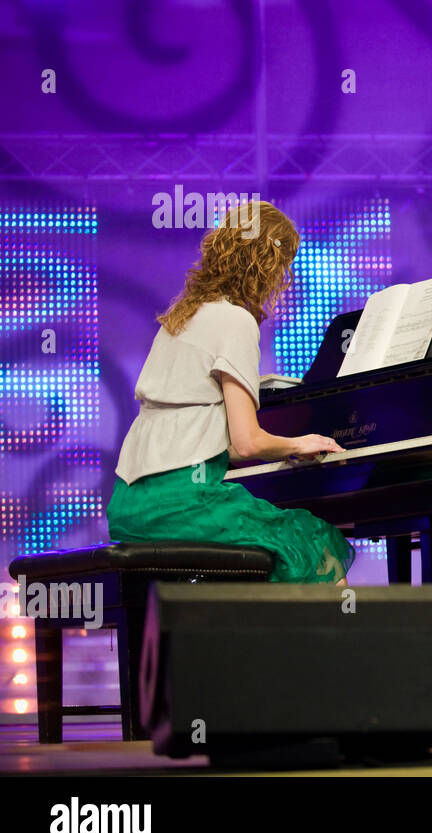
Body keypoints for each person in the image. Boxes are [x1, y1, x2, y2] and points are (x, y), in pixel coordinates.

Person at [107, 200, 353, 584]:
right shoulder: (236, 321)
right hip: (183, 507)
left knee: (278, 547)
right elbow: (249, 443)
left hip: (128, 508)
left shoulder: (181, 317)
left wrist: (283, 449)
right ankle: (332, 644)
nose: (283, 280)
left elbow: (225, 448)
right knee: (316, 543)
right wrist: (299, 443)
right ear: (268, 264)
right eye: (284, 267)